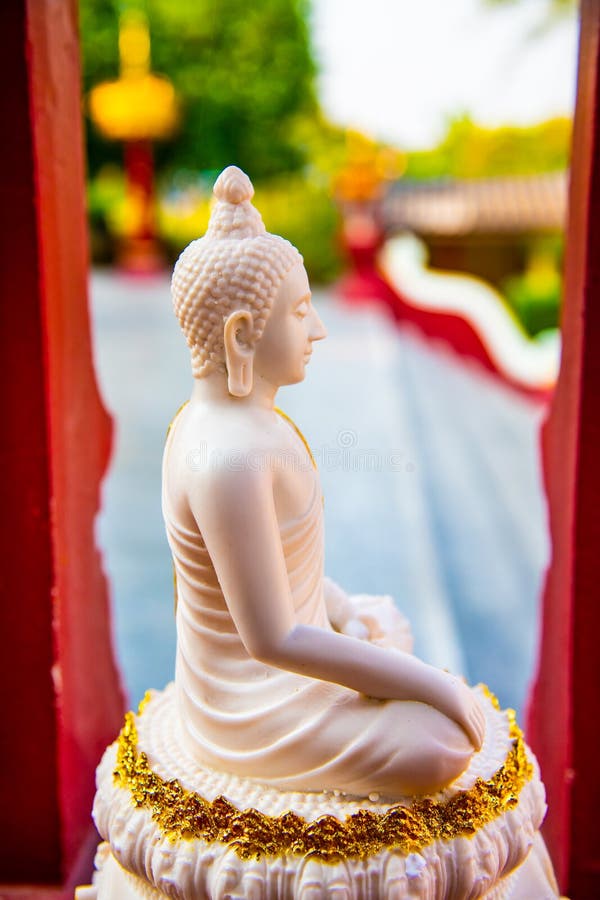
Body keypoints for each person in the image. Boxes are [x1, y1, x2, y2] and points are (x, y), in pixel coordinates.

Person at [164, 165, 485, 798]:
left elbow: (285, 575)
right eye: (301, 311)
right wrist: (431, 683)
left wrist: (341, 613)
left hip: (291, 662)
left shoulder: (257, 428)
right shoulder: (226, 458)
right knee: (440, 740)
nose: (318, 330)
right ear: (242, 335)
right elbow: (274, 638)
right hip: (251, 705)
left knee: (382, 619)